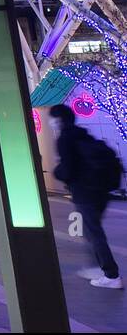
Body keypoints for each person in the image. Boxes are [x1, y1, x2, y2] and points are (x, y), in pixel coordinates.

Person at [52, 103, 122, 289]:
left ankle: (110, 274)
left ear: (58, 120)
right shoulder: (83, 134)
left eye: (52, 118)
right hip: (101, 190)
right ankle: (99, 268)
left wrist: (57, 172)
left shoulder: (65, 139)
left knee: (93, 232)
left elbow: (68, 169)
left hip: (84, 191)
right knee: (90, 230)